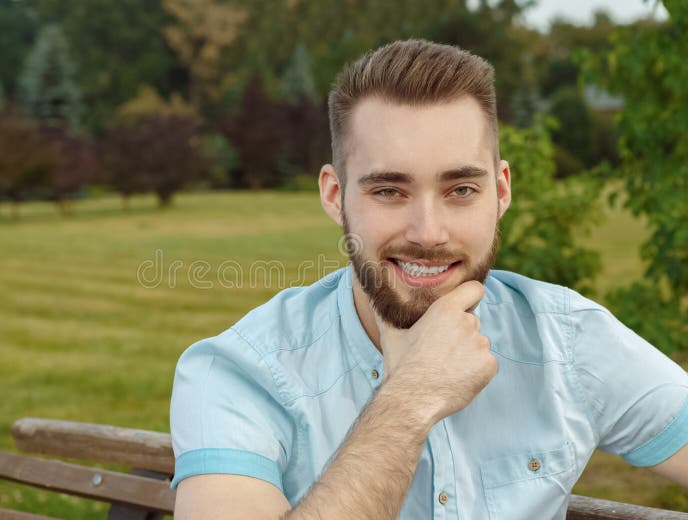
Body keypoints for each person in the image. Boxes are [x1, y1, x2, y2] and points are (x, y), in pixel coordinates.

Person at [169, 39, 688, 519]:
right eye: (389, 191)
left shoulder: (569, 340)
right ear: (334, 196)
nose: (429, 233)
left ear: (501, 192)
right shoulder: (238, 373)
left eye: (460, 189)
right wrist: (413, 396)